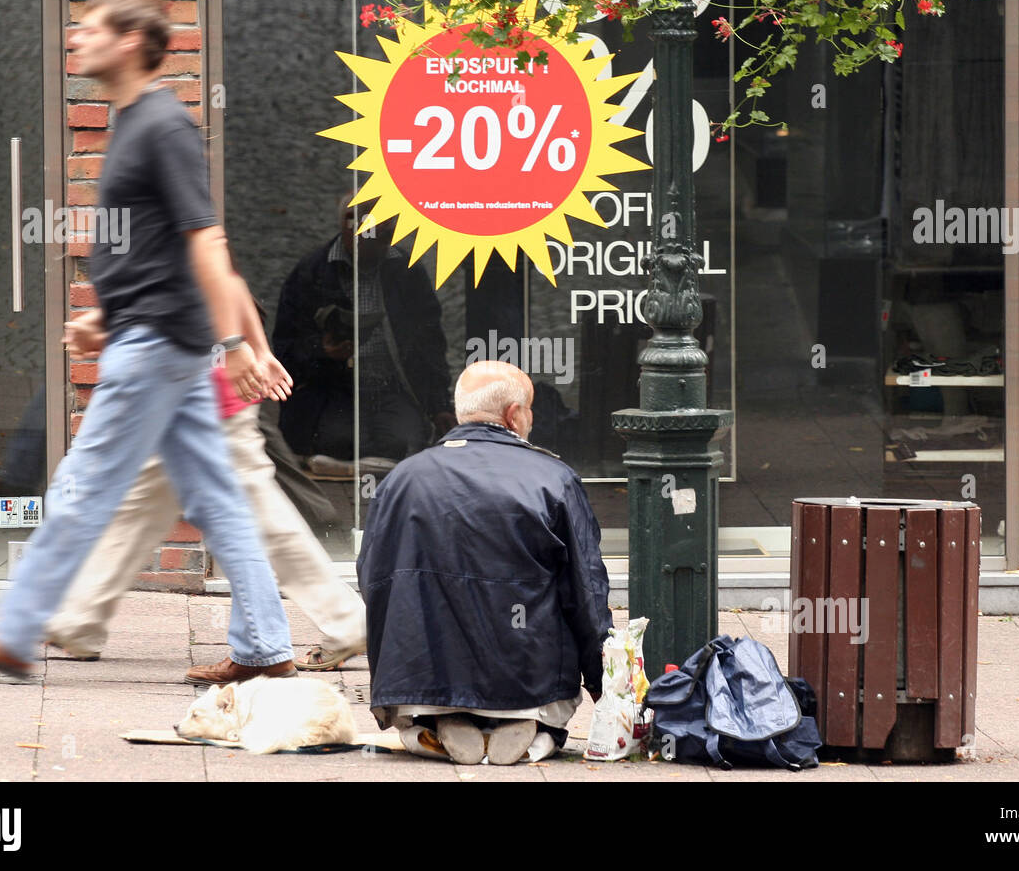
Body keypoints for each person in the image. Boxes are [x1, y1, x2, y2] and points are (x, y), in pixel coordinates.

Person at [0, 0, 296, 684]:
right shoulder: (132, 121)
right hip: (156, 338)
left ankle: (12, 632)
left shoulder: (163, 125)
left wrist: (236, 347)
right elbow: (159, 250)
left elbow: (206, 242)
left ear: (131, 42)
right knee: (217, 498)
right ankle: (264, 647)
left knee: (80, 488)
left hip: (160, 348)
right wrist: (109, 313)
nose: (76, 38)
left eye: (90, 28)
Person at [43, 274, 365, 671]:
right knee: (141, 507)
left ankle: (342, 621)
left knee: (256, 517)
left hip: (196, 392)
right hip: (191, 389)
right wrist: (255, 349)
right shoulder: (166, 221)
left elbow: (199, 283)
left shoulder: (168, 219)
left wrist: (106, 322)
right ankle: (79, 619)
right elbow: (215, 282)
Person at [357, 361, 612, 765]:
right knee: (543, 697)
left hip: (421, 678)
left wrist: (394, 674)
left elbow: (373, 580)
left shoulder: (401, 479)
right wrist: (601, 678)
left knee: (416, 629)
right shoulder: (553, 478)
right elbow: (586, 591)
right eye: (529, 409)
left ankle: (428, 726)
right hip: (528, 683)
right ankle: (534, 732)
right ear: (514, 415)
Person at [272, 200, 455, 468]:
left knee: (402, 442)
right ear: (350, 230)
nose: (382, 245)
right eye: (377, 236)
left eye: (388, 236)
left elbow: (429, 345)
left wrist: (439, 404)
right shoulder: (311, 273)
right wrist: (322, 352)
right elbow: (286, 349)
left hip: (392, 388)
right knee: (338, 442)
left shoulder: (406, 271)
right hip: (333, 390)